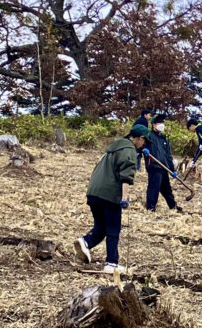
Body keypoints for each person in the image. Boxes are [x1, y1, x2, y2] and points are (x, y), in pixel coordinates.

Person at [76, 124, 147, 271]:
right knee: (113, 228)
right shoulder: (129, 151)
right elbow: (126, 176)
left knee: (101, 227)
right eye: (144, 141)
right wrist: (125, 198)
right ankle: (111, 263)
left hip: (94, 192)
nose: (143, 144)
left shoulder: (114, 147)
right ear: (140, 138)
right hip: (109, 194)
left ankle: (85, 242)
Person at [142, 113, 182, 213]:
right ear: (153, 125)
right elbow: (140, 145)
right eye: (159, 123)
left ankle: (173, 206)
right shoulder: (149, 136)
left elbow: (168, 156)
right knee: (154, 188)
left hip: (164, 167)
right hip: (154, 166)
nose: (161, 125)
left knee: (167, 189)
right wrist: (144, 150)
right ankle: (150, 208)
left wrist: (172, 170)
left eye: (163, 123)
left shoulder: (164, 139)